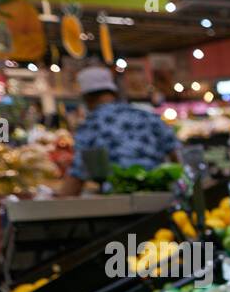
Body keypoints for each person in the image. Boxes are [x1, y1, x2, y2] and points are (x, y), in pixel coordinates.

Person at [57, 65, 178, 196]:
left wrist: (58, 203)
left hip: (117, 204)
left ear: (86, 98)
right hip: (160, 199)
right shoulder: (147, 116)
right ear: (113, 92)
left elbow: (77, 175)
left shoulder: (91, 126)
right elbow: (177, 157)